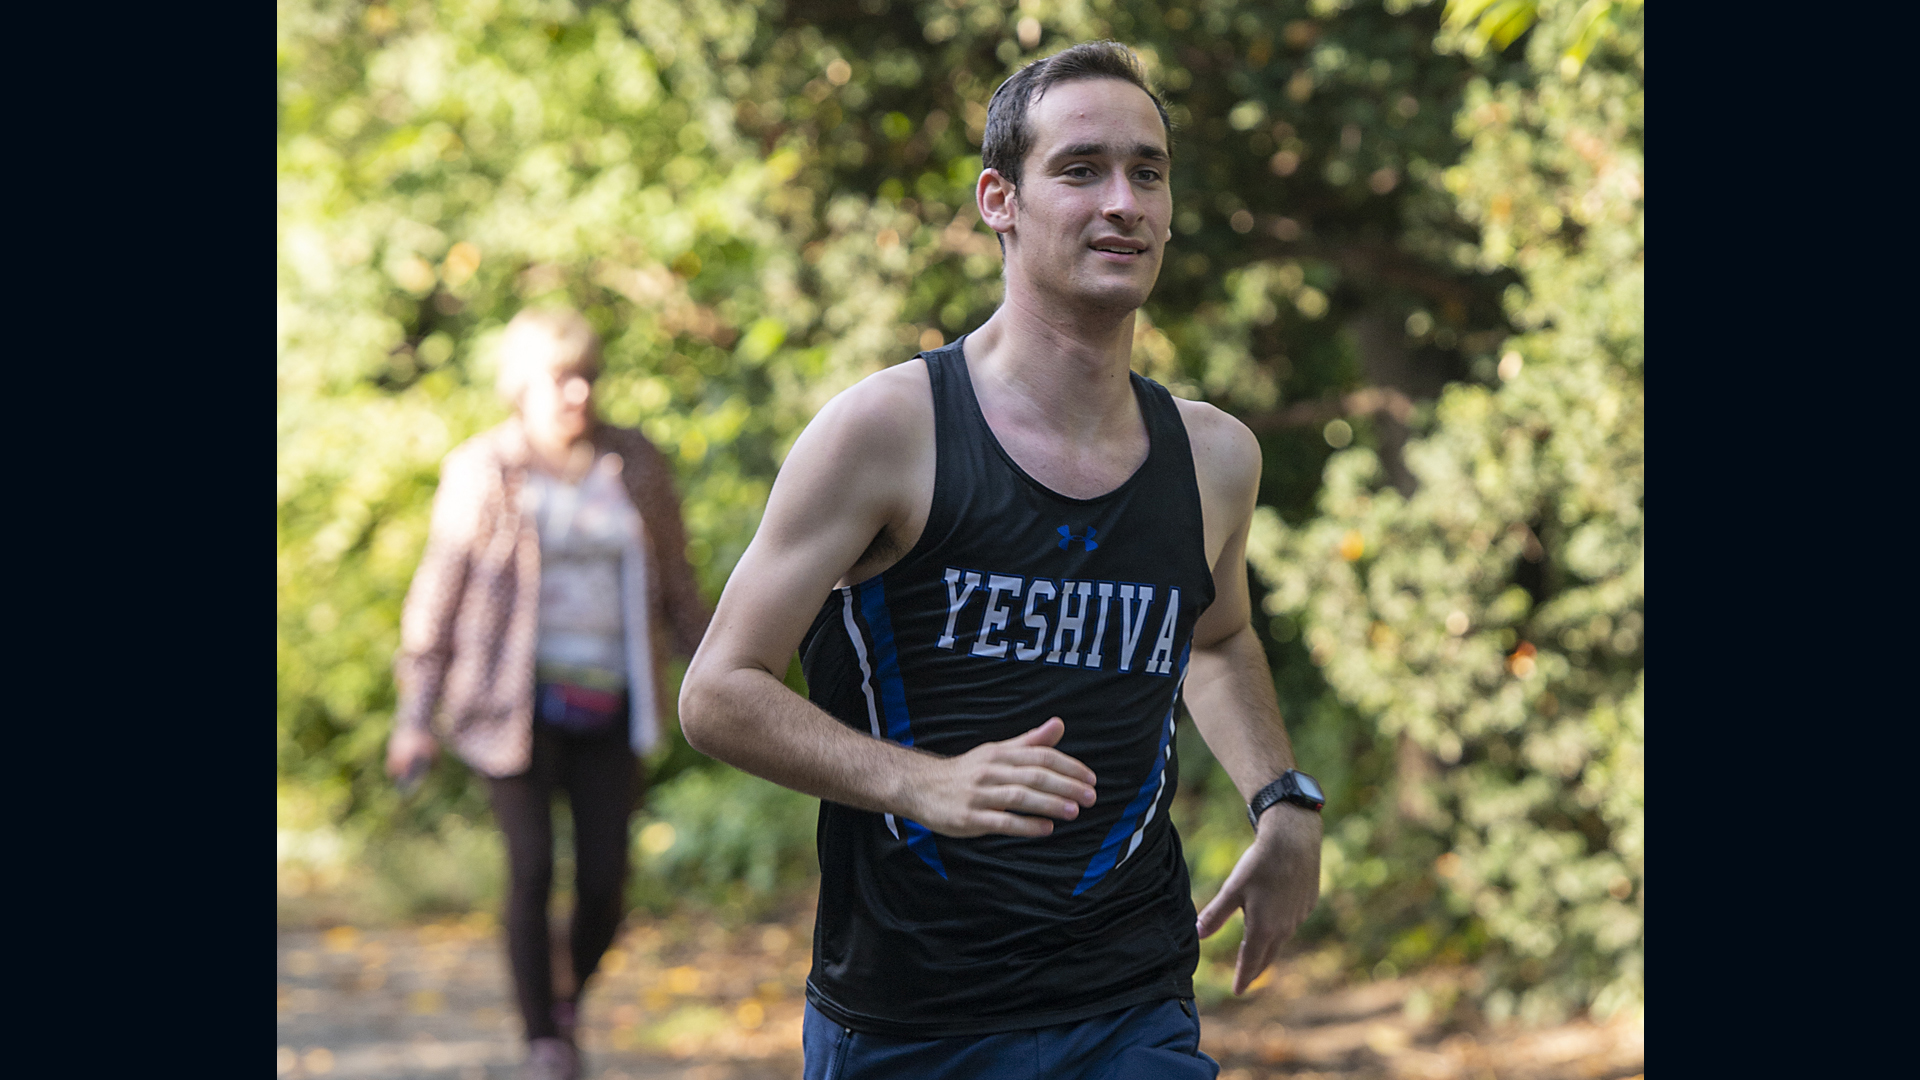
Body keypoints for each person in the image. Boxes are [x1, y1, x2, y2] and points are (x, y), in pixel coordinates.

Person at [678, 42, 1324, 1080]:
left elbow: (1217, 636)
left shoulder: (1213, 457)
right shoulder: (889, 431)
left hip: (1130, 997)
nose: (1124, 202)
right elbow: (716, 692)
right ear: (1000, 199)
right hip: (911, 1017)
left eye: (1147, 172)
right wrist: (922, 785)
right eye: (1080, 170)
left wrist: (1281, 797)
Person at [386, 308, 710, 1080]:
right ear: (520, 387)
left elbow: (680, 587)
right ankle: (545, 1043)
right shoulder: (484, 468)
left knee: (605, 883)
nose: (577, 393)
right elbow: (439, 593)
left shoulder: (635, 461)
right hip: (509, 706)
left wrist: (723, 675)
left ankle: (563, 998)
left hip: (613, 703)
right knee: (530, 869)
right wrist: (412, 716)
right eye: (560, 378)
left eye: (587, 377)